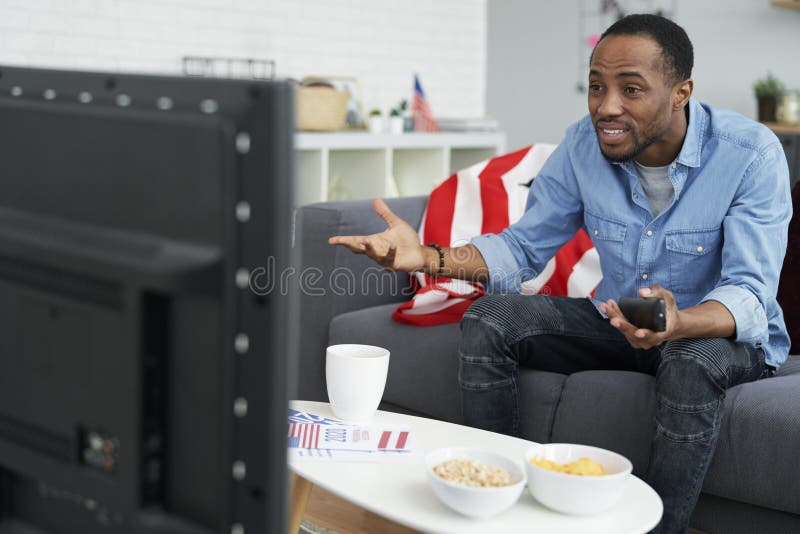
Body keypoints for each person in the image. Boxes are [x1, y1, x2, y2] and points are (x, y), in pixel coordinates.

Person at [328, 14, 792, 533]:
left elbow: (749, 293)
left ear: (681, 92)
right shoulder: (582, 145)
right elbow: (523, 246)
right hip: (618, 319)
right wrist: (429, 258)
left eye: (630, 89)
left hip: (713, 334)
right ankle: (496, 505)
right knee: (491, 317)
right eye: (597, 86)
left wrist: (678, 322)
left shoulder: (750, 154)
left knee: (688, 357)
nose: (606, 107)